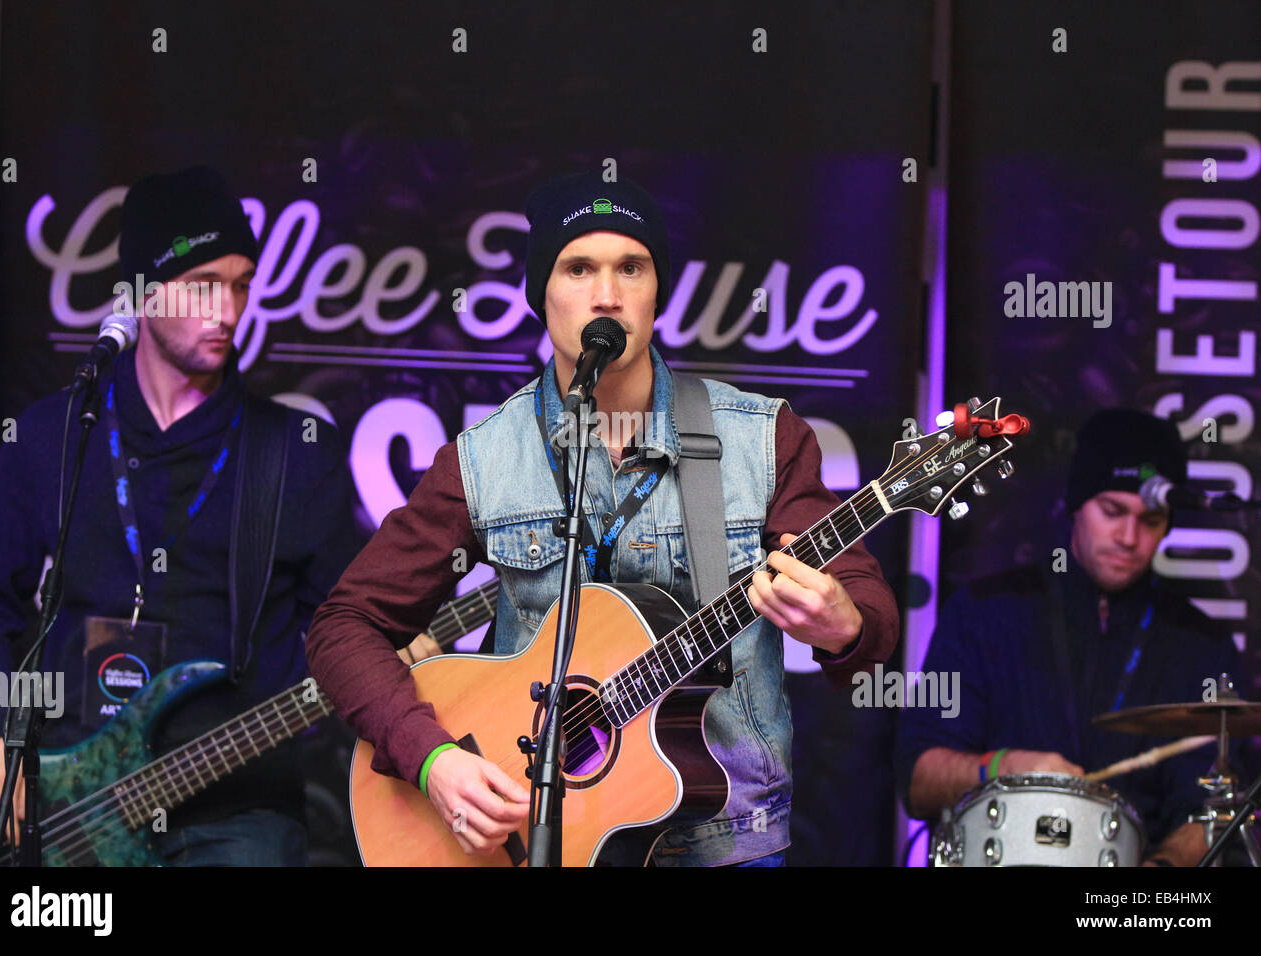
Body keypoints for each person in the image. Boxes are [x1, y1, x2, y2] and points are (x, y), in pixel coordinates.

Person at [306, 170, 900, 866]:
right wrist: (434, 760)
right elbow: (344, 628)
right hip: (540, 840)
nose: (608, 293)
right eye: (579, 267)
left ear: (657, 294)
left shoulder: (760, 439)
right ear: (542, 295)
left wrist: (846, 624)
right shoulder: (483, 459)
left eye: (632, 267)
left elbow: (866, 604)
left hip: (723, 842)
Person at [0, 166, 357, 865]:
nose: (230, 310)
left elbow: (350, 626)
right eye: (204, 284)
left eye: (241, 283)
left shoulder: (294, 454)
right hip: (68, 801)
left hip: (235, 806)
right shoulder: (57, 434)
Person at [897, 408, 1241, 866]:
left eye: (1152, 520)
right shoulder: (983, 611)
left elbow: (1211, 807)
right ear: (1078, 503)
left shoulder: (1202, 642)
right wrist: (1007, 769)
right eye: (1113, 511)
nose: (1129, 536)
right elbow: (918, 785)